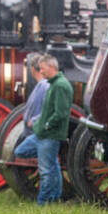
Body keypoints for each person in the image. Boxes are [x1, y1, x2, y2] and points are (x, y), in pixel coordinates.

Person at [31, 54, 72, 204]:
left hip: (51, 134)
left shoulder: (60, 85)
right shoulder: (55, 84)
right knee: (52, 166)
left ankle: (43, 202)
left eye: (43, 69)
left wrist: (47, 125)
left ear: (52, 67)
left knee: (46, 171)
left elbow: (61, 113)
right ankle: (55, 196)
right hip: (46, 133)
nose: (41, 72)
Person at [13, 53, 48, 159]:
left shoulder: (45, 86)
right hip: (34, 132)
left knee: (19, 152)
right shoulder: (41, 86)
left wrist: (33, 121)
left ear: (32, 69)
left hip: (40, 133)